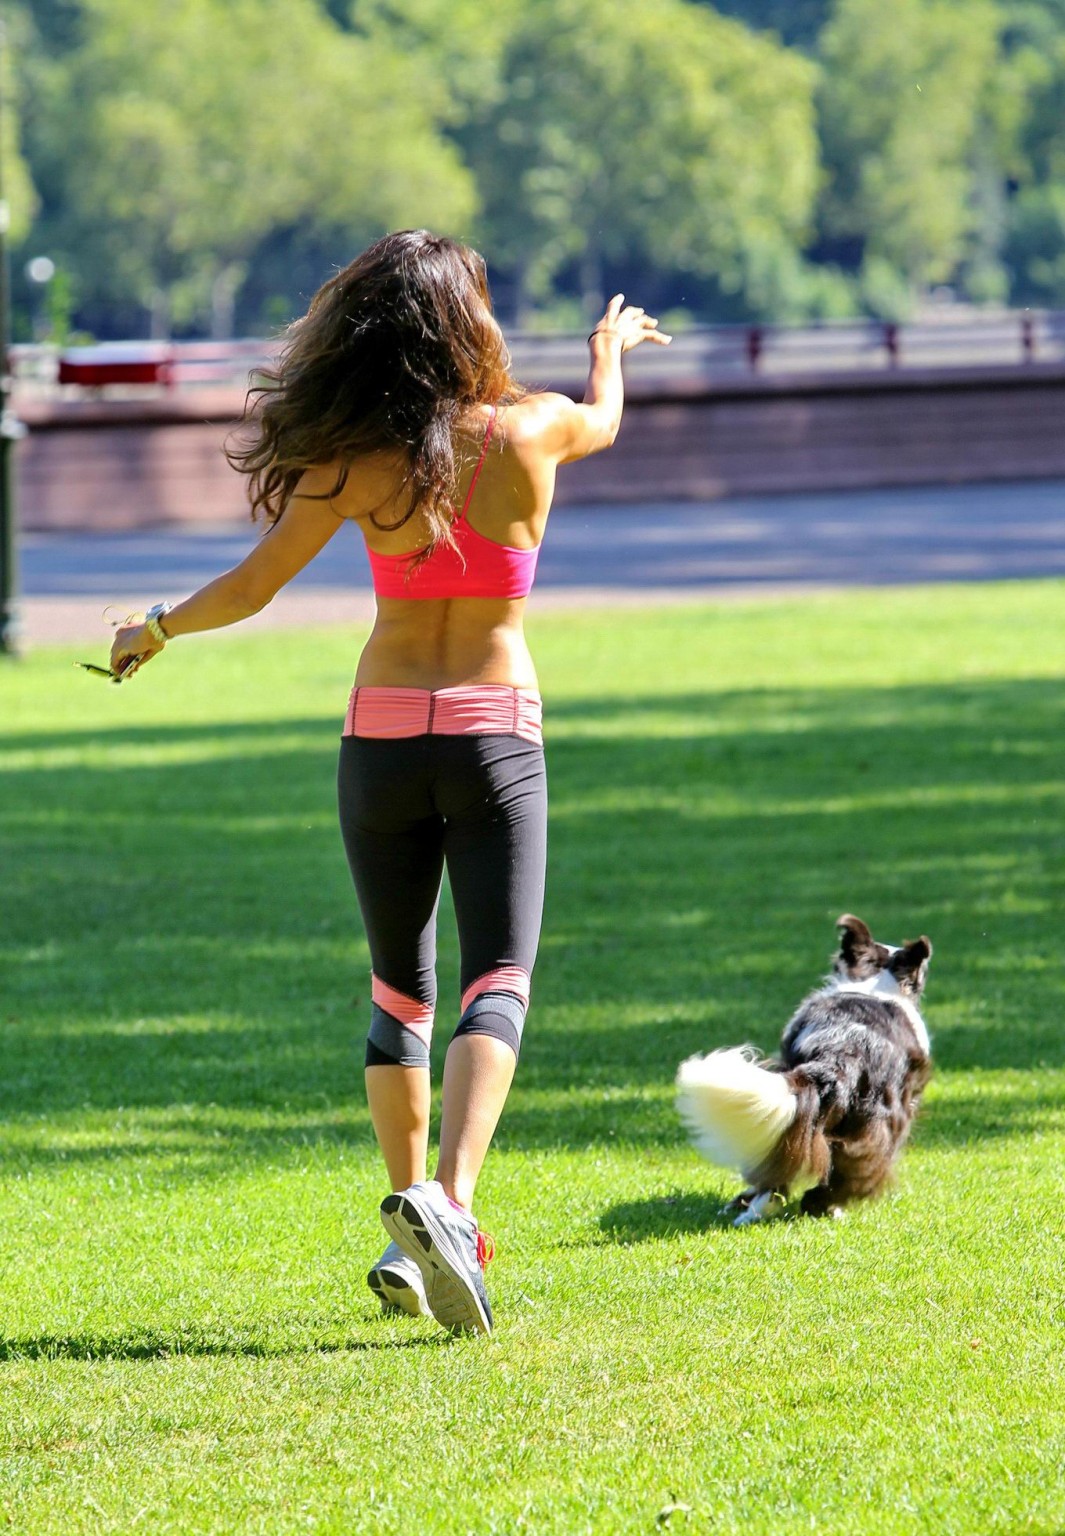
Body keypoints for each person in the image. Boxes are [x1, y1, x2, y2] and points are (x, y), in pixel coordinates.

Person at [110, 230, 670, 1335]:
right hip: (494, 733)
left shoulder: (359, 462)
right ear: (471, 326)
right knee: (495, 979)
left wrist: (156, 628)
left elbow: (256, 583)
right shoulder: (529, 430)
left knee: (397, 991)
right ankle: (449, 1204)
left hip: (380, 740)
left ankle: (409, 1233)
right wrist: (610, 348)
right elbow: (603, 421)